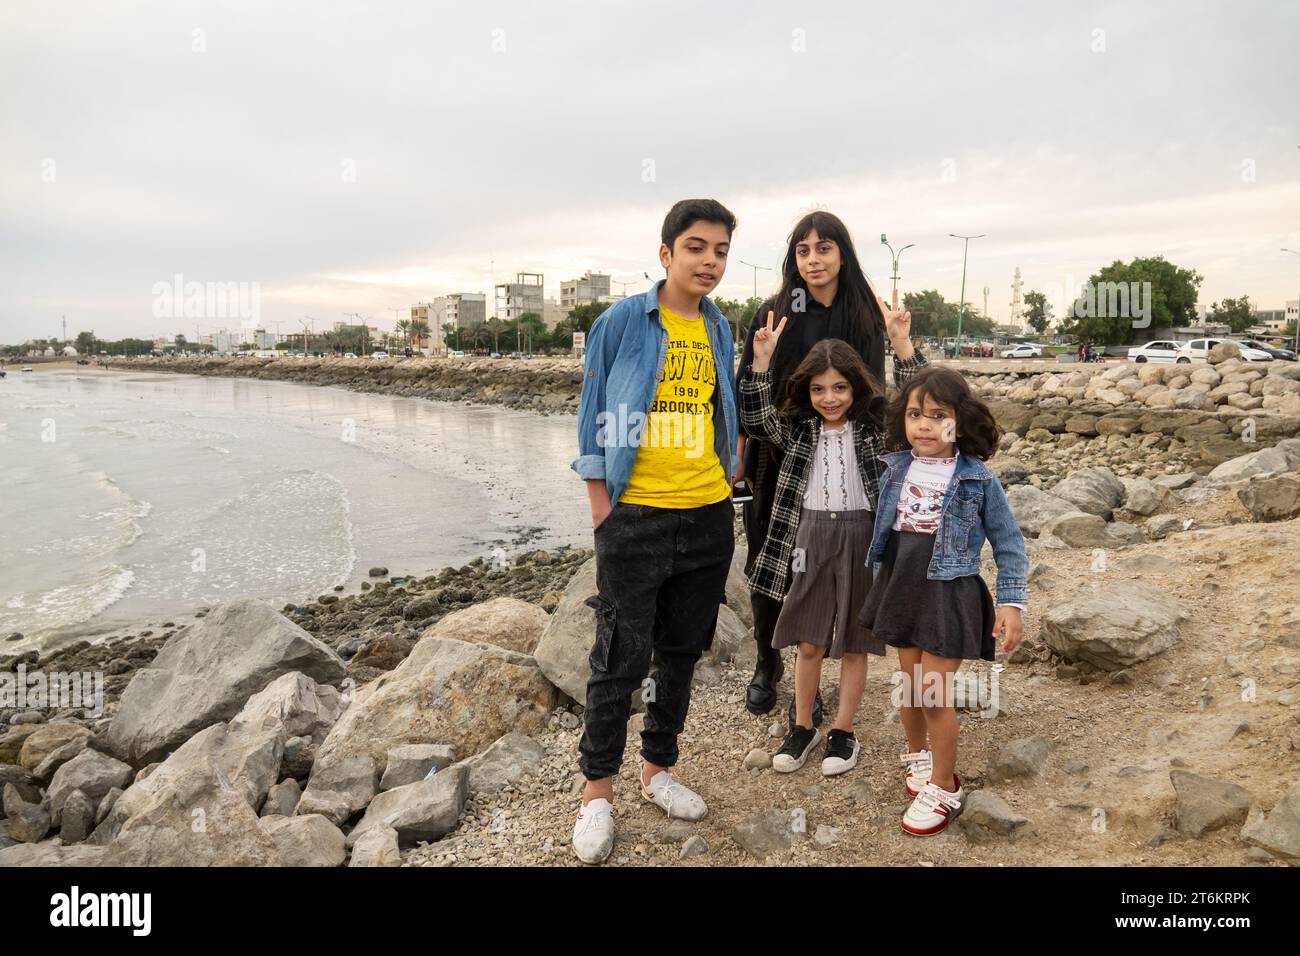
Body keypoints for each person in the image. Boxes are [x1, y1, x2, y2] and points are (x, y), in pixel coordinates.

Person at [568, 198, 740, 864]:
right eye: (697, 247)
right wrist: (601, 508)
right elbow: (591, 417)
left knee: (680, 652)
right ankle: (596, 796)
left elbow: (717, 412)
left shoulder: (720, 328)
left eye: (721, 251)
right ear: (666, 254)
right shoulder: (620, 322)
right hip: (634, 514)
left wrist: (727, 485)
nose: (710, 261)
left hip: (706, 515)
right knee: (619, 657)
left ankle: (656, 771)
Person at [739, 297, 924, 775]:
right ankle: (802, 726)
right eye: (819, 389)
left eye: (840, 387)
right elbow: (756, 418)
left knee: (856, 642)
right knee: (809, 640)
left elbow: (921, 399)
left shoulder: (875, 428)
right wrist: (761, 361)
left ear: (855, 386)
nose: (830, 397)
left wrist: (901, 342)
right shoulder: (798, 430)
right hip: (809, 536)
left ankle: (843, 731)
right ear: (808, 391)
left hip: (864, 535)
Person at [857, 366, 1029, 835]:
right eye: (915, 414)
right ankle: (918, 753)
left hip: (947, 593)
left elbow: (1010, 544)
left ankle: (944, 784)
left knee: (933, 693)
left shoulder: (978, 480)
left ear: (960, 421)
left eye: (938, 415)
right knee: (909, 683)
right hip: (901, 585)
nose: (924, 425)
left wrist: (1012, 604)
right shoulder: (895, 467)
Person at [734, 211, 889, 723]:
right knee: (772, 556)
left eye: (824, 248)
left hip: (840, 449)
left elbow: (874, 395)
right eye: (803, 250)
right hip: (777, 447)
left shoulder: (864, 312)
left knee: (831, 563)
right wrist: (739, 463)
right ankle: (766, 662)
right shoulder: (774, 311)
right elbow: (745, 392)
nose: (813, 259)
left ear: (843, 253)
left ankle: (820, 669)